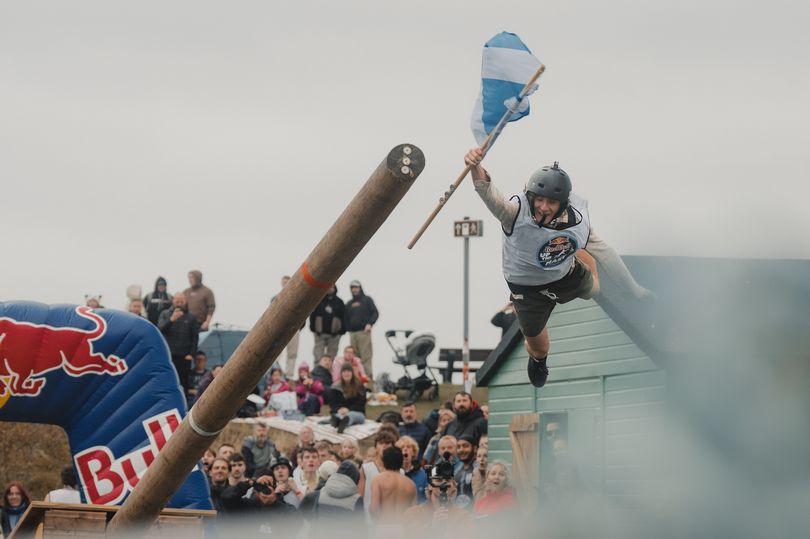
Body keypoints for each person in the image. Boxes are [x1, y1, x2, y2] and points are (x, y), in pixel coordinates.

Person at [465, 148, 652, 388]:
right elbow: (487, 191)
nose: (543, 207)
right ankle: (539, 359)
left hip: (564, 274)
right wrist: (474, 166)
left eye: (551, 202)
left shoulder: (577, 224)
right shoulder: (513, 213)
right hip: (526, 288)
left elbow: (608, 254)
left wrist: (634, 290)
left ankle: (577, 255)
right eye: (539, 200)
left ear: (562, 204)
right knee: (539, 346)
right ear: (530, 196)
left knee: (592, 290)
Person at [403, 471, 472, 537]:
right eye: (439, 480)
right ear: (430, 486)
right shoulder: (413, 513)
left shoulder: (463, 516)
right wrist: (432, 527)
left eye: (447, 480)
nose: (443, 484)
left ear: (454, 487)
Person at [157, 291, 200, 394]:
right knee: (168, 381)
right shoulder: (165, 314)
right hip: (169, 356)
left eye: (181, 301)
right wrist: (171, 319)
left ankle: (183, 407)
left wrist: (191, 354)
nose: (179, 303)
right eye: (177, 300)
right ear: (173, 301)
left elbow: (195, 337)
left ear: (185, 301)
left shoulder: (191, 317)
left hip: (185, 356)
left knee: (183, 383)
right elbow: (160, 331)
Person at [370, 447, 416, 524]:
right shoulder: (410, 484)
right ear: (401, 461)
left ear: (383, 461)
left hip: (384, 526)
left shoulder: (378, 480)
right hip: (403, 529)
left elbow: (374, 509)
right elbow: (413, 511)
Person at [358, 430, 398, 520]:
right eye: (380, 443)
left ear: (393, 447)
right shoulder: (365, 468)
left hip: (392, 521)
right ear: (376, 447)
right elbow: (360, 497)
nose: (384, 446)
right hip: (369, 520)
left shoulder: (400, 471)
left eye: (387, 443)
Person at [343, 280, 378, 379]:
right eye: (352, 288)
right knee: (354, 359)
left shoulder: (367, 300)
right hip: (352, 334)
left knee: (365, 357)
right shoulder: (349, 304)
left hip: (364, 332)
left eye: (356, 287)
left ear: (360, 288)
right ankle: (358, 380)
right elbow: (345, 318)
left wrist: (370, 324)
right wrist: (348, 328)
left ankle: (368, 380)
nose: (354, 289)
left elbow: (375, 313)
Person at [325, 364, 367, 433]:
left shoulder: (359, 386)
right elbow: (333, 404)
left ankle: (343, 424)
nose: (346, 373)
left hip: (357, 412)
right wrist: (338, 409)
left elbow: (361, 403)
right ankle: (337, 422)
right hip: (340, 412)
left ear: (352, 373)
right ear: (341, 373)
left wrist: (349, 410)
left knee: (351, 415)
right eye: (344, 371)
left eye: (348, 371)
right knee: (338, 416)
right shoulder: (335, 387)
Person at [309, 284, 346, 360]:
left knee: (331, 357)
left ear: (335, 288)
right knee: (318, 355)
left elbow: (344, 317)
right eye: (328, 287)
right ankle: (317, 371)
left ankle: (329, 371)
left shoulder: (339, 302)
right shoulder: (319, 300)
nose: (330, 289)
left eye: (332, 287)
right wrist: (313, 328)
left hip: (334, 335)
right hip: (319, 334)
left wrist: (342, 331)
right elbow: (312, 314)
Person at [397, 436, 428, 503]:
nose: (405, 449)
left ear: (413, 452)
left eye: (408, 447)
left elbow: (428, 499)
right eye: (402, 447)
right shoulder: (394, 474)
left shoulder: (423, 475)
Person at [453, 435, 478, 508]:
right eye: (458, 447)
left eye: (465, 446)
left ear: (475, 448)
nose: (461, 450)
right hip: (459, 514)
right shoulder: (456, 470)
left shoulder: (479, 468)